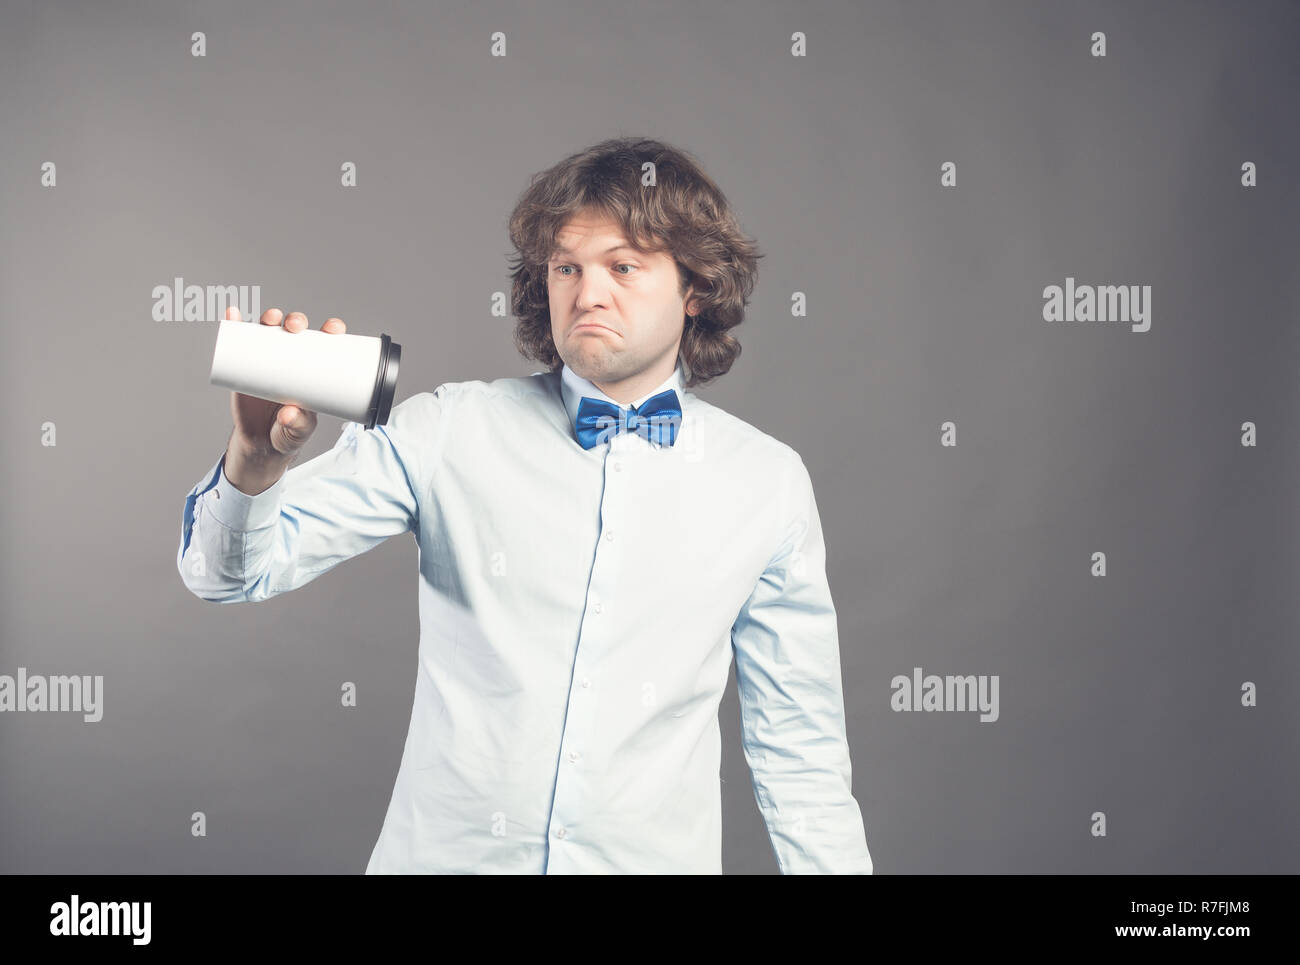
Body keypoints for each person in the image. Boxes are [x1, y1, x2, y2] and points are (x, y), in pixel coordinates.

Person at [176, 136, 874, 874]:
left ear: (695, 287)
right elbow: (224, 575)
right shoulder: (446, 429)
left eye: (623, 266)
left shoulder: (767, 483)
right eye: (566, 267)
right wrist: (255, 463)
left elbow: (802, 757)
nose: (587, 292)